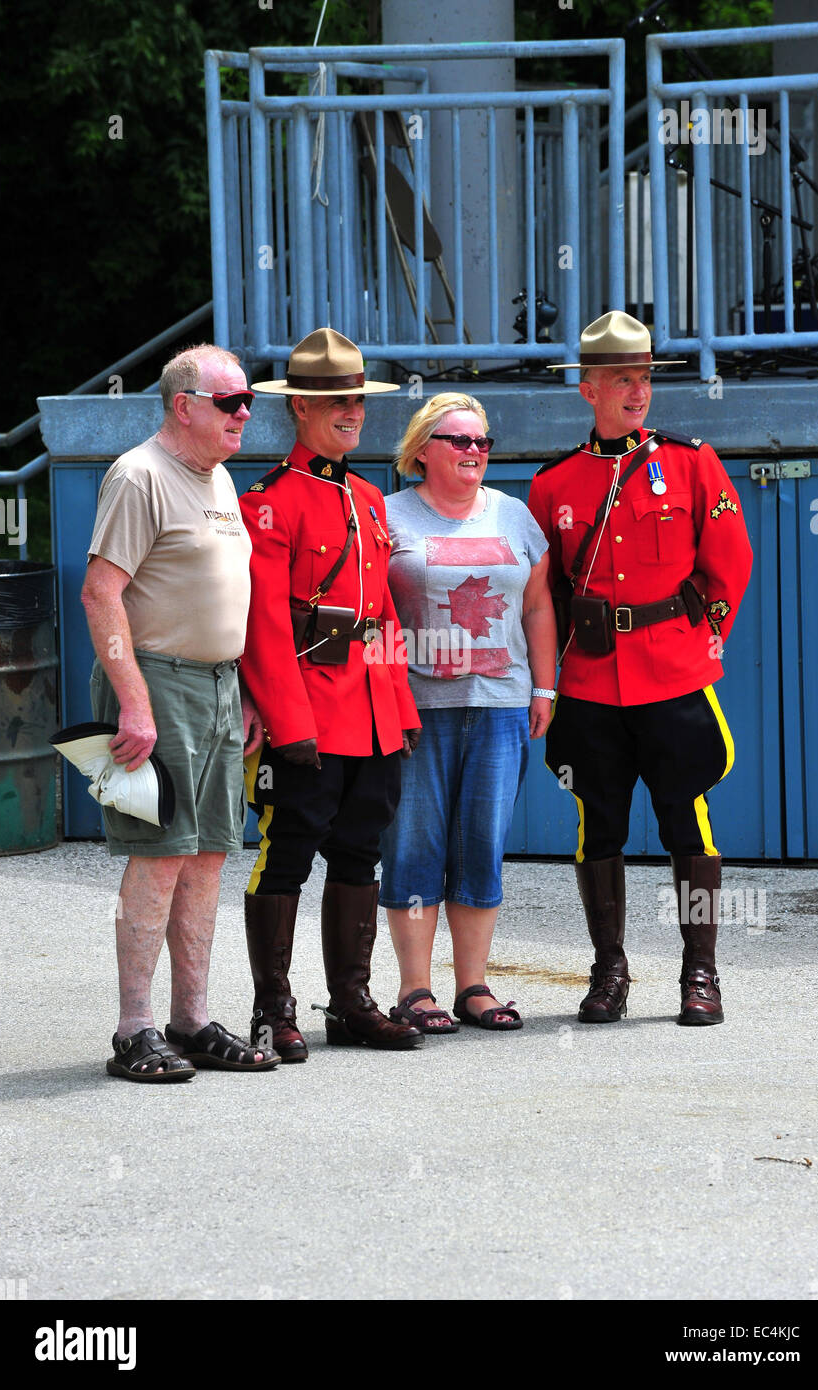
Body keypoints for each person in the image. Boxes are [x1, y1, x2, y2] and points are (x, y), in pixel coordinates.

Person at [527, 311, 753, 1026]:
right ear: (586, 388)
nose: (637, 391)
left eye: (645, 377)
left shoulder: (691, 462)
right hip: (591, 683)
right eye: (621, 378)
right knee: (597, 829)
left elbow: (728, 566)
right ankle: (609, 970)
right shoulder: (555, 483)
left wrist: (700, 642)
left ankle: (699, 971)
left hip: (674, 676)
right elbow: (548, 592)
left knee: (689, 826)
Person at [81, 344, 277, 1081]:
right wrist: (133, 702)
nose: (245, 413)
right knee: (159, 858)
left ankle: (190, 1020)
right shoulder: (138, 475)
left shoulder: (217, 476)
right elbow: (101, 593)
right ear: (183, 405)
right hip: (157, 687)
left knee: (207, 857)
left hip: (218, 688)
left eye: (248, 399)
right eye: (230, 401)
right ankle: (134, 1030)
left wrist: (243, 690)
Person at [239, 328, 424, 1055]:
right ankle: (272, 1010)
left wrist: (399, 713)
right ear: (300, 409)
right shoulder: (269, 502)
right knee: (285, 853)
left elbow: (381, 615)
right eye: (333, 400)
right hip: (308, 710)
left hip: (372, 711)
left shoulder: (370, 497)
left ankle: (350, 1002)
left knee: (359, 854)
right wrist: (289, 723)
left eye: (355, 397)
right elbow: (262, 626)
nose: (350, 410)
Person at [378, 393, 557, 1032]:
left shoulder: (514, 517)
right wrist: (381, 696)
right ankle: (414, 990)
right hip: (418, 708)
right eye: (460, 441)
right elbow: (373, 615)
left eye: (482, 441)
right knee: (412, 844)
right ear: (422, 450)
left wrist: (544, 688)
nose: (475, 451)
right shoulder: (388, 516)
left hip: (502, 705)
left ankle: (474, 986)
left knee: (481, 845)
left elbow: (536, 606)